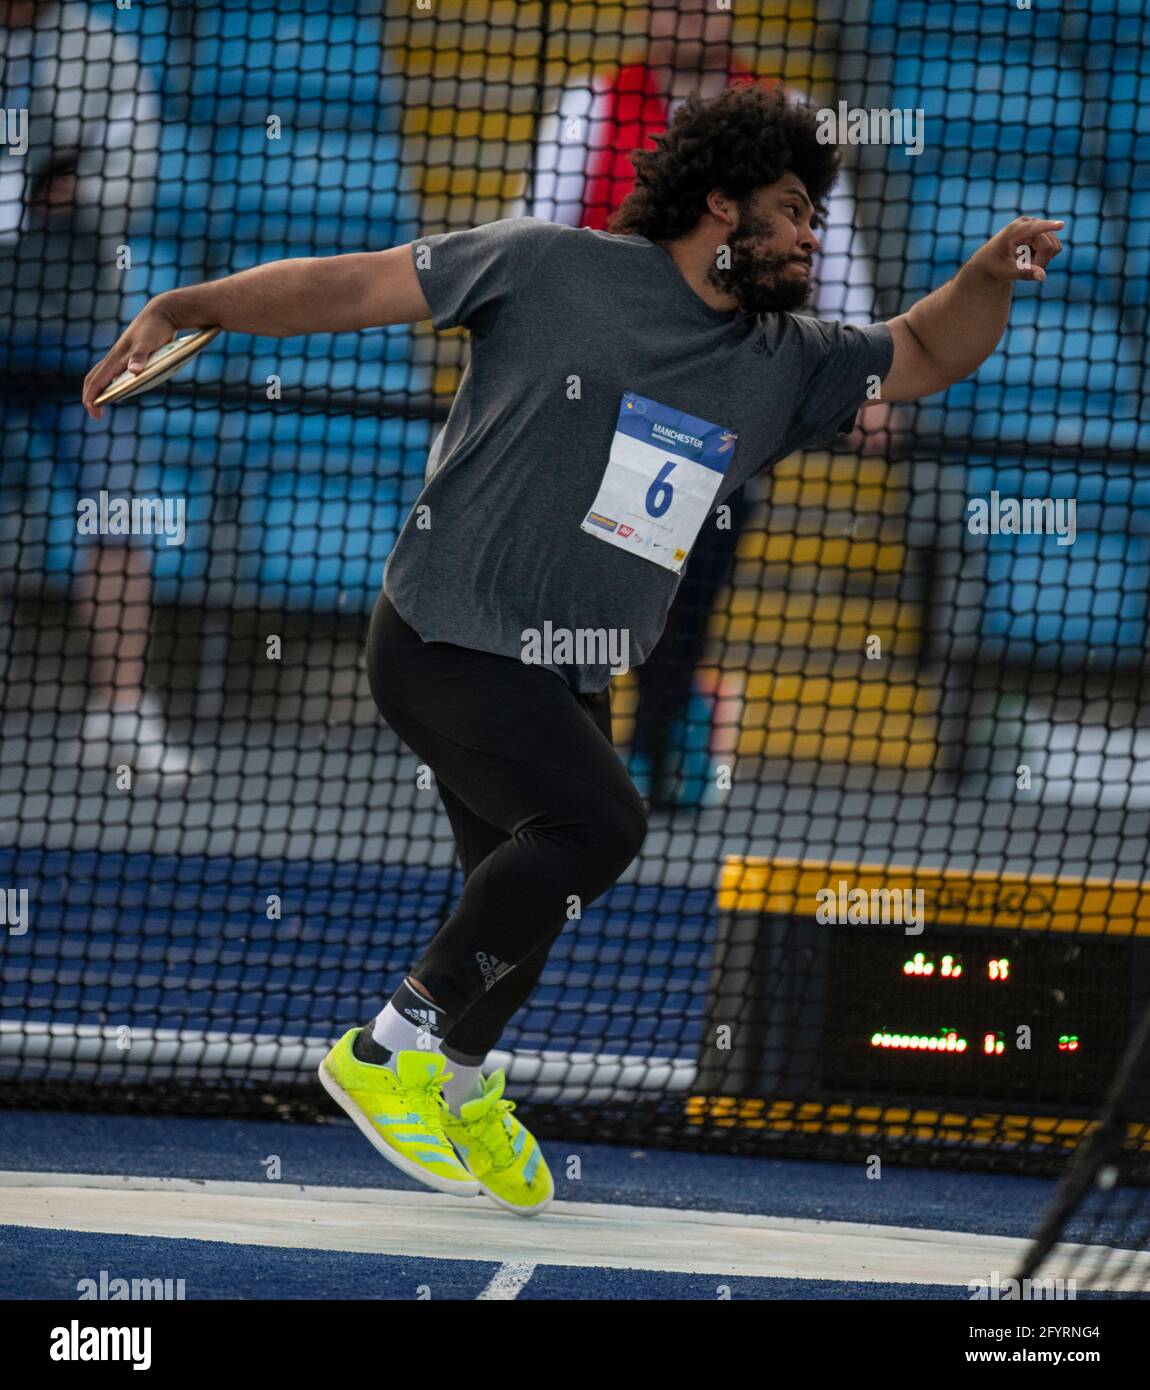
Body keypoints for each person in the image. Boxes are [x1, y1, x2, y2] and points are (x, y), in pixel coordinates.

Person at [82, 84, 1063, 1215]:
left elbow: (927, 351)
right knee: (598, 824)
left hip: (566, 660)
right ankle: (387, 1046)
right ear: (718, 205)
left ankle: (458, 1079)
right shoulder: (544, 262)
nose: (810, 237)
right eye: (791, 209)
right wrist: (185, 302)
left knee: (528, 892)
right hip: (443, 634)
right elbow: (349, 285)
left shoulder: (782, 358)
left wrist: (986, 274)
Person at [520, 0, 891, 806]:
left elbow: (831, 241)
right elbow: (537, 241)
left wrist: (866, 379)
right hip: (604, 393)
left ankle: (654, 749)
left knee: (690, 583)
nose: (687, 16)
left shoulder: (787, 119)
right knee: (588, 578)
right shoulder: (592, 105)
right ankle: (576, 746)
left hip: (727, 396)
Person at [0, 0, 197, 774]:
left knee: (118, 512)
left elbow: (132, 178)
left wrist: (76, 188)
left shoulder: (103, 51)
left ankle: (122, 713)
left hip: (84, 328)